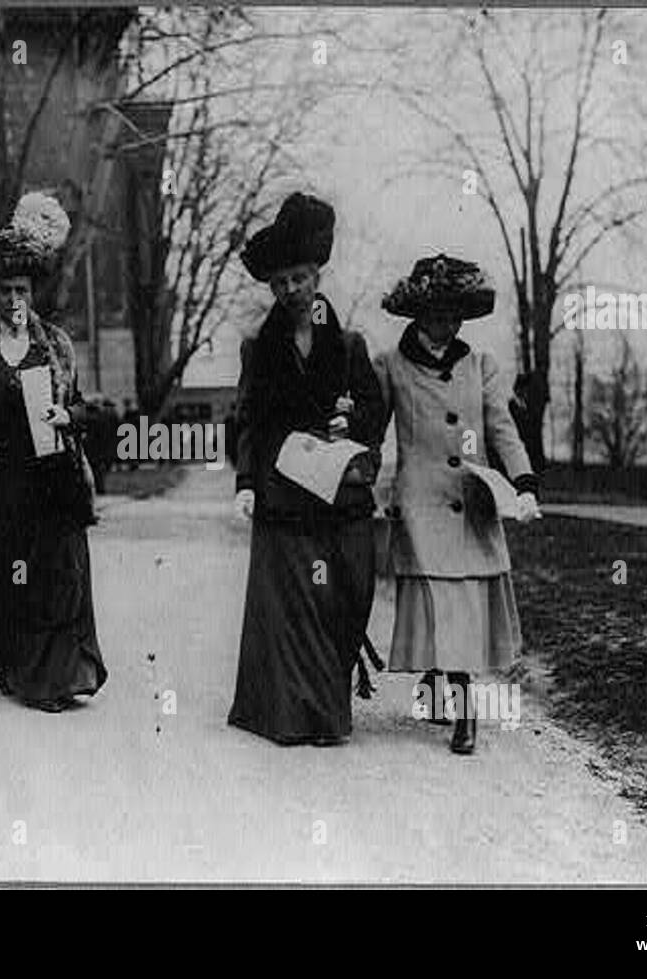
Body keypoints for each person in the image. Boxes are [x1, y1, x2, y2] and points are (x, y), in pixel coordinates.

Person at [229, 192, 388, 746]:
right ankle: (300, 717)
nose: (291, 290)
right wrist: (246, 481)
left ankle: (325, 704)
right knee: (294, 607)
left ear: (317, 276)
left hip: (338, 495)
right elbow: (246, 419)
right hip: (282, 496)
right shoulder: (259, 349)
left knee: (341, 598)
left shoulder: (347, 346)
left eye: (299, 278)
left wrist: (356, 429)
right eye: (280, 283)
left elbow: (374, 410)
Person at [0, 192, 106, 713]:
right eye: (5, 292)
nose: (15, 301)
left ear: (32, 293)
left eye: (22, 290)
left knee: (55, 576)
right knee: (6, 577)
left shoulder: (56, 345)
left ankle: (56, 679)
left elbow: (83, 407)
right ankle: (15, 667)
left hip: (52, 482)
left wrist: (69, 417)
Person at [379, 254, 541, 754]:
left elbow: (501, 429)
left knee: (459, 606)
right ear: (416, 314)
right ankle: (461, 708)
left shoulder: (481, 367)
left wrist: (524, 483)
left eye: (455, 316)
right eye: (436, 314)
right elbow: (369, 424)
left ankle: (446, 694)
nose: (446, 325)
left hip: (472, 502)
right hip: (422, 503)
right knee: (440, 605)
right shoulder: (390, 366)